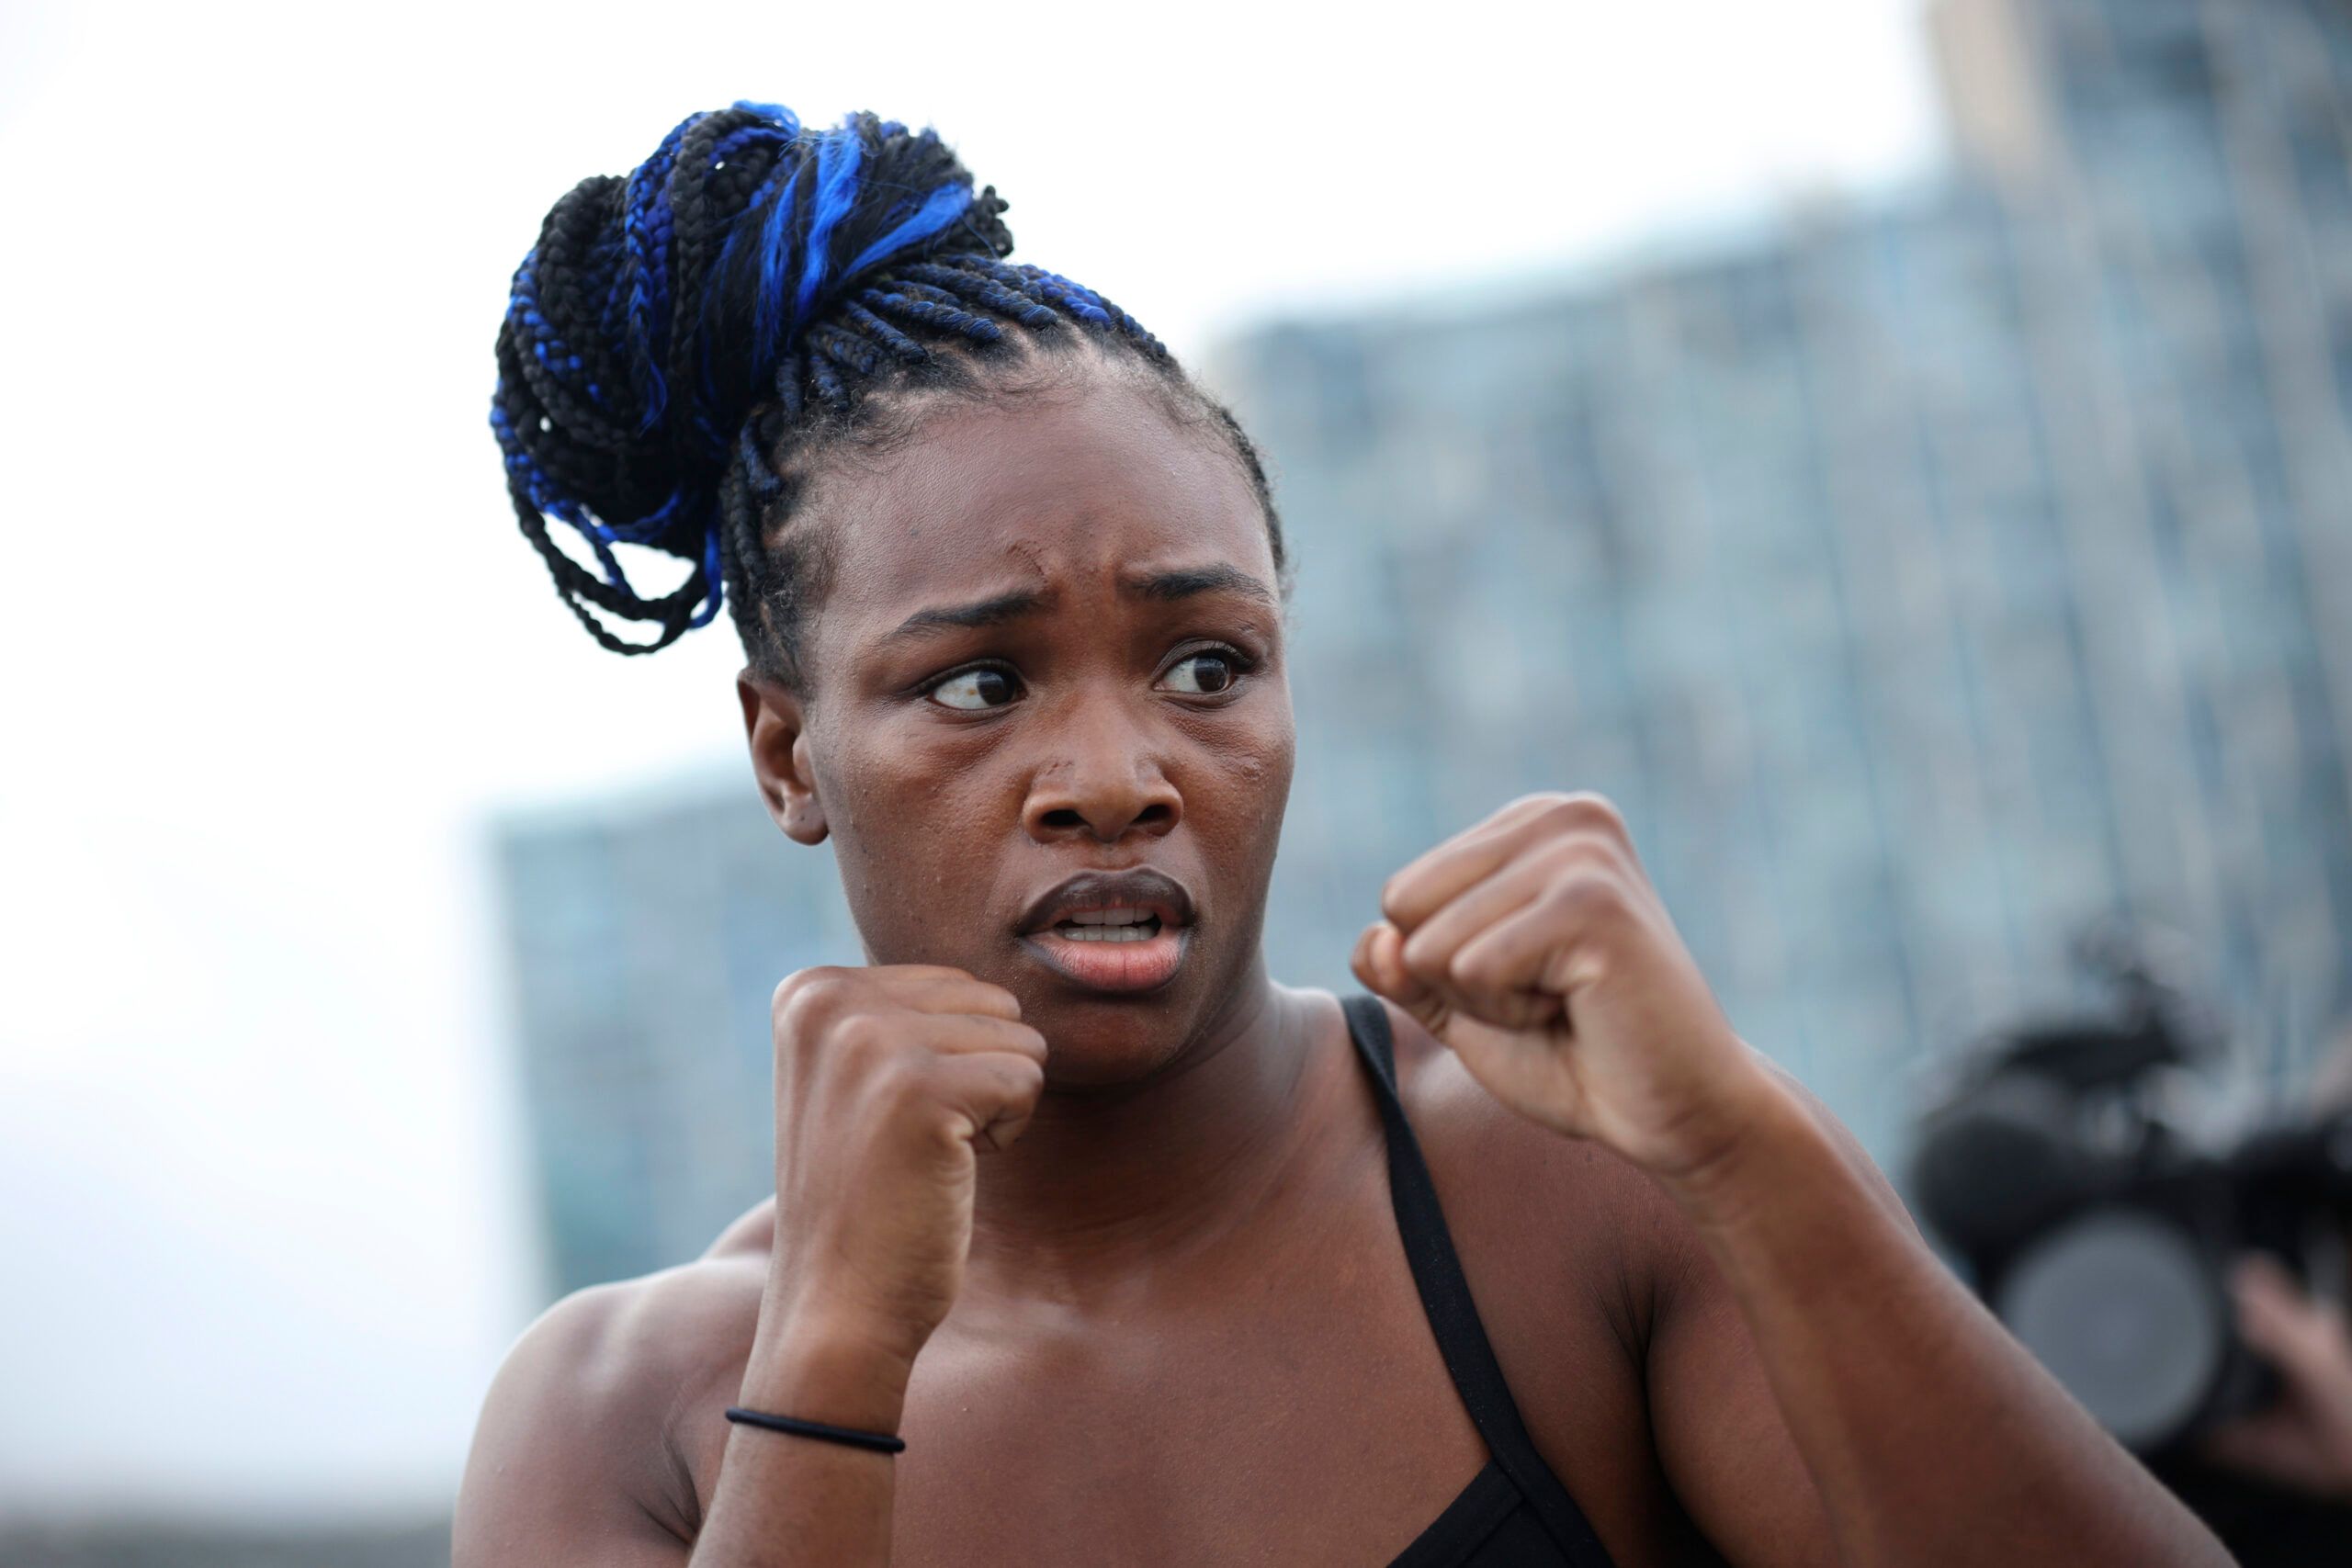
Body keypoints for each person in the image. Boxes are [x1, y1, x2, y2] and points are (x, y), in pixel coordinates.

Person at [453, 103, 2229, 1566]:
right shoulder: (628, 1415)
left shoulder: (1573, 1194)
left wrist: (1755, 1156)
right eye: (982, 685)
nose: (1115, 775)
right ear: (787, 751)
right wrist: (831, 1367)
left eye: (1207, 663)